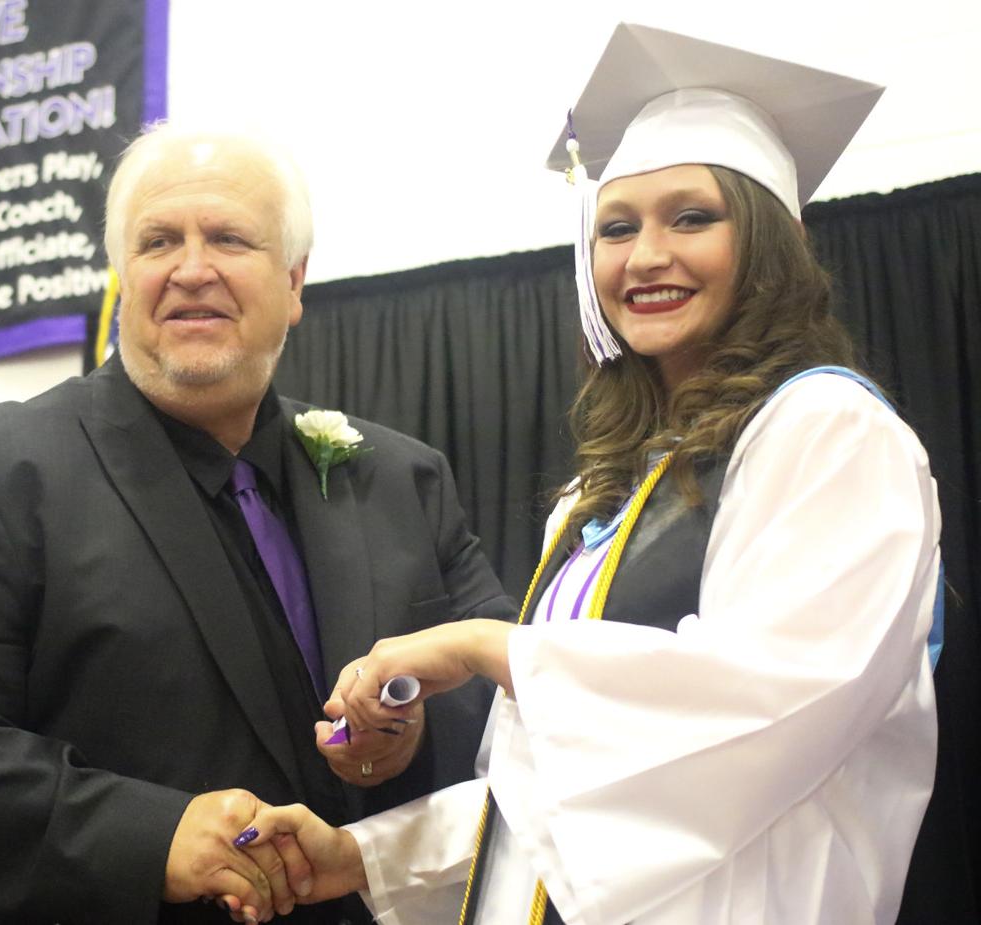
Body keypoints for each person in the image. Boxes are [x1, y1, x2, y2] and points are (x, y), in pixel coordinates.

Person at [235, 23, 942, 925]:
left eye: (693, 216)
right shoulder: (600, 497)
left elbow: (765, 714)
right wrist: (363, 856)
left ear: (775, 241)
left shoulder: (831, 434)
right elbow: (562, 793)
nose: (645, 256)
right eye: (616, 227)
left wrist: (485, 647)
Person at [0, 124, 515, 925]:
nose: (193, 269)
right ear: (124, 275)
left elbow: (504, 701)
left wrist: (409, 728)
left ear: (294, 283)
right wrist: (152, 835)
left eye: (228, 237)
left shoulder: (403, 478)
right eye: (159, 241)